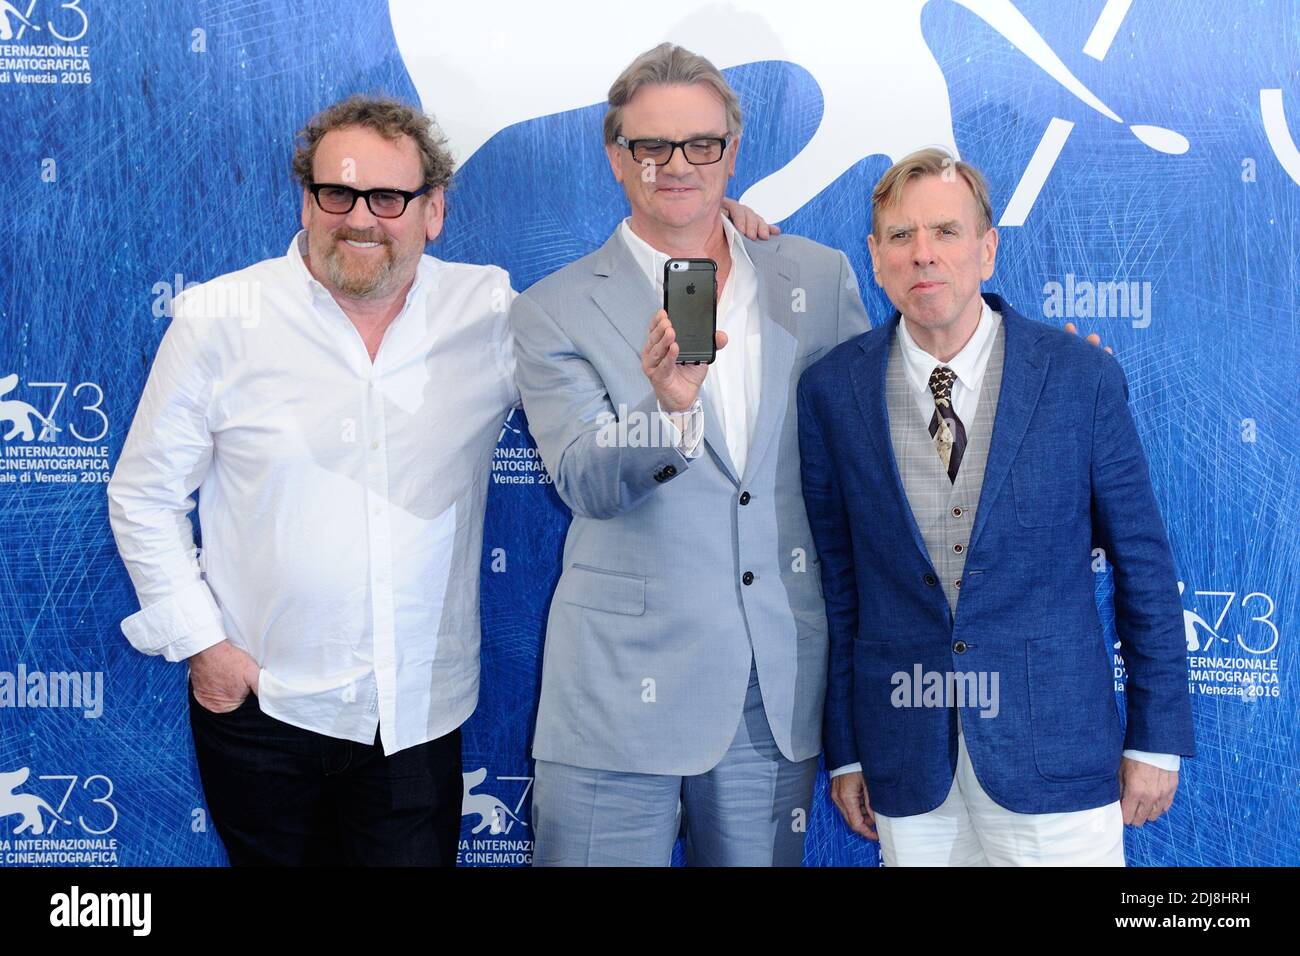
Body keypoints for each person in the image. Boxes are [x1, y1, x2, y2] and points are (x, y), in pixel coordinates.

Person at [107, 95, 517, 866]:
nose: (360, 218)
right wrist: (205, 650)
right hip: (263, 710)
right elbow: (144, 494)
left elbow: (603, 337)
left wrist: (712, 232)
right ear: (307, 199)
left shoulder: (489, 312)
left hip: (416, 722)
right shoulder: (220, 317)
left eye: (389, 197)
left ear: (434, 211)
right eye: (338, 193)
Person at [509, 42, 871, 866]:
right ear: (616, 157)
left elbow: (870, 444)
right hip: (613, 701)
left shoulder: (813, 276)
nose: (677, 165)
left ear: (732, 153)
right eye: (651, 146)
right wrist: (666, 410)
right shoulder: (553, 309)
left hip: (769, 698)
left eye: (701, 144)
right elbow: (583, 482)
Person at [798, 148, 1194, 865]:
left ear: (987, 249)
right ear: (875, 256)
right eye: (900, 236)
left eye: (946, 232)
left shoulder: (1080, 378)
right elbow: (841, 588)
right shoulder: (831, 392)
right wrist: (849, 752)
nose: (924, 255)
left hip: (1058, 761)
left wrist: (1155, 735)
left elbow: (1142, 565)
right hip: (907, 763)